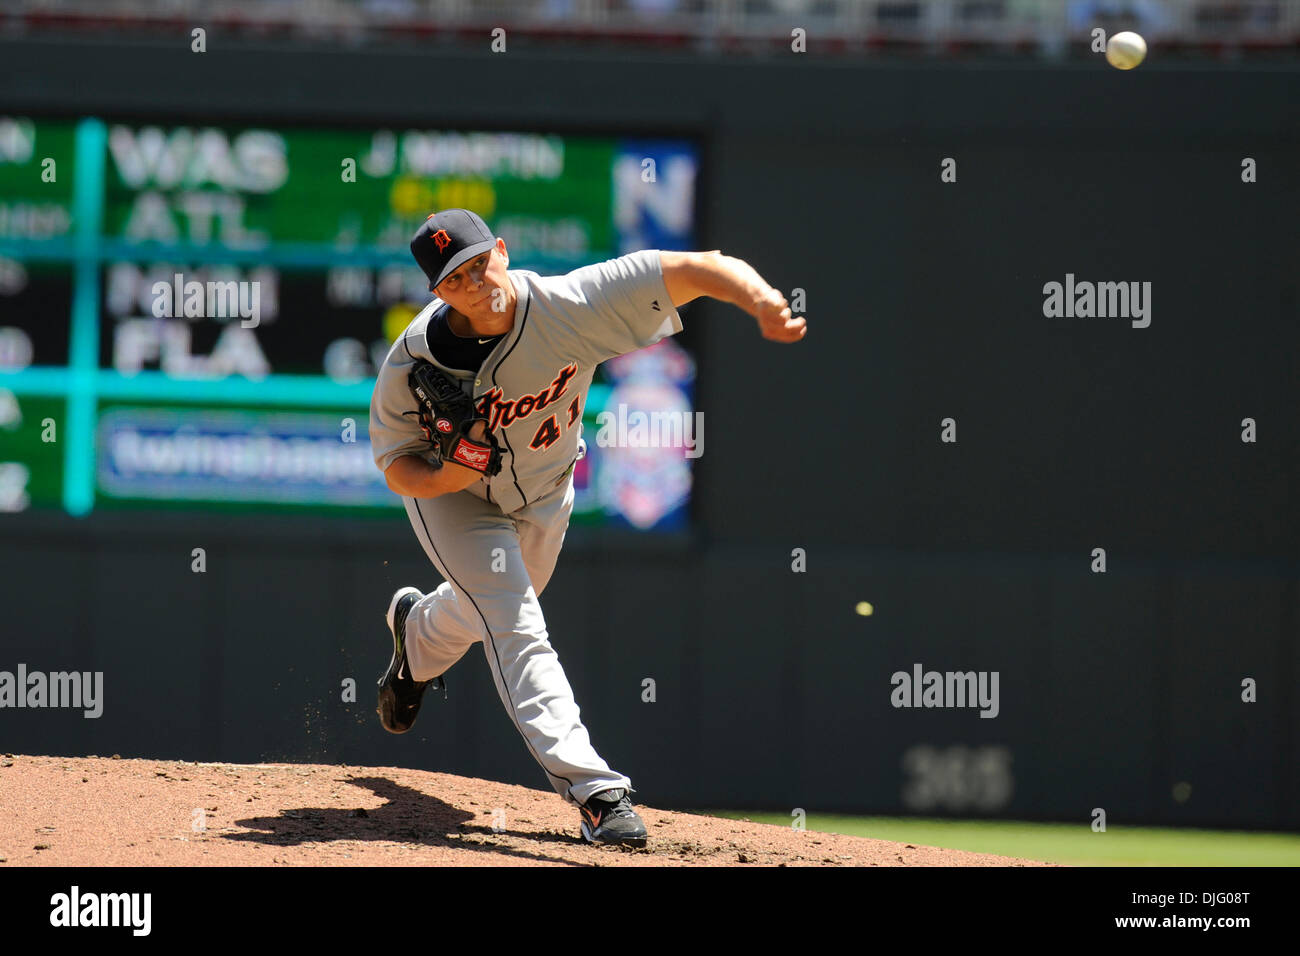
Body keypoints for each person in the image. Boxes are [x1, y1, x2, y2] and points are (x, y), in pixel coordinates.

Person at [368, 208, 806, 845]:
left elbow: (701, 269)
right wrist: (447, 478)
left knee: (490, 609)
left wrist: (764, 302)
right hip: (455, 504)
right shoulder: (413, 360)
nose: (473, 280)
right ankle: (597, 791)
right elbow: (396, 467)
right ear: (438, 291)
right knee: (516, 622)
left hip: (545, 490)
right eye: (454, 276)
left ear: (503, 249)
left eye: (477, 260)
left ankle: (417, 633)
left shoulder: (571, 305)